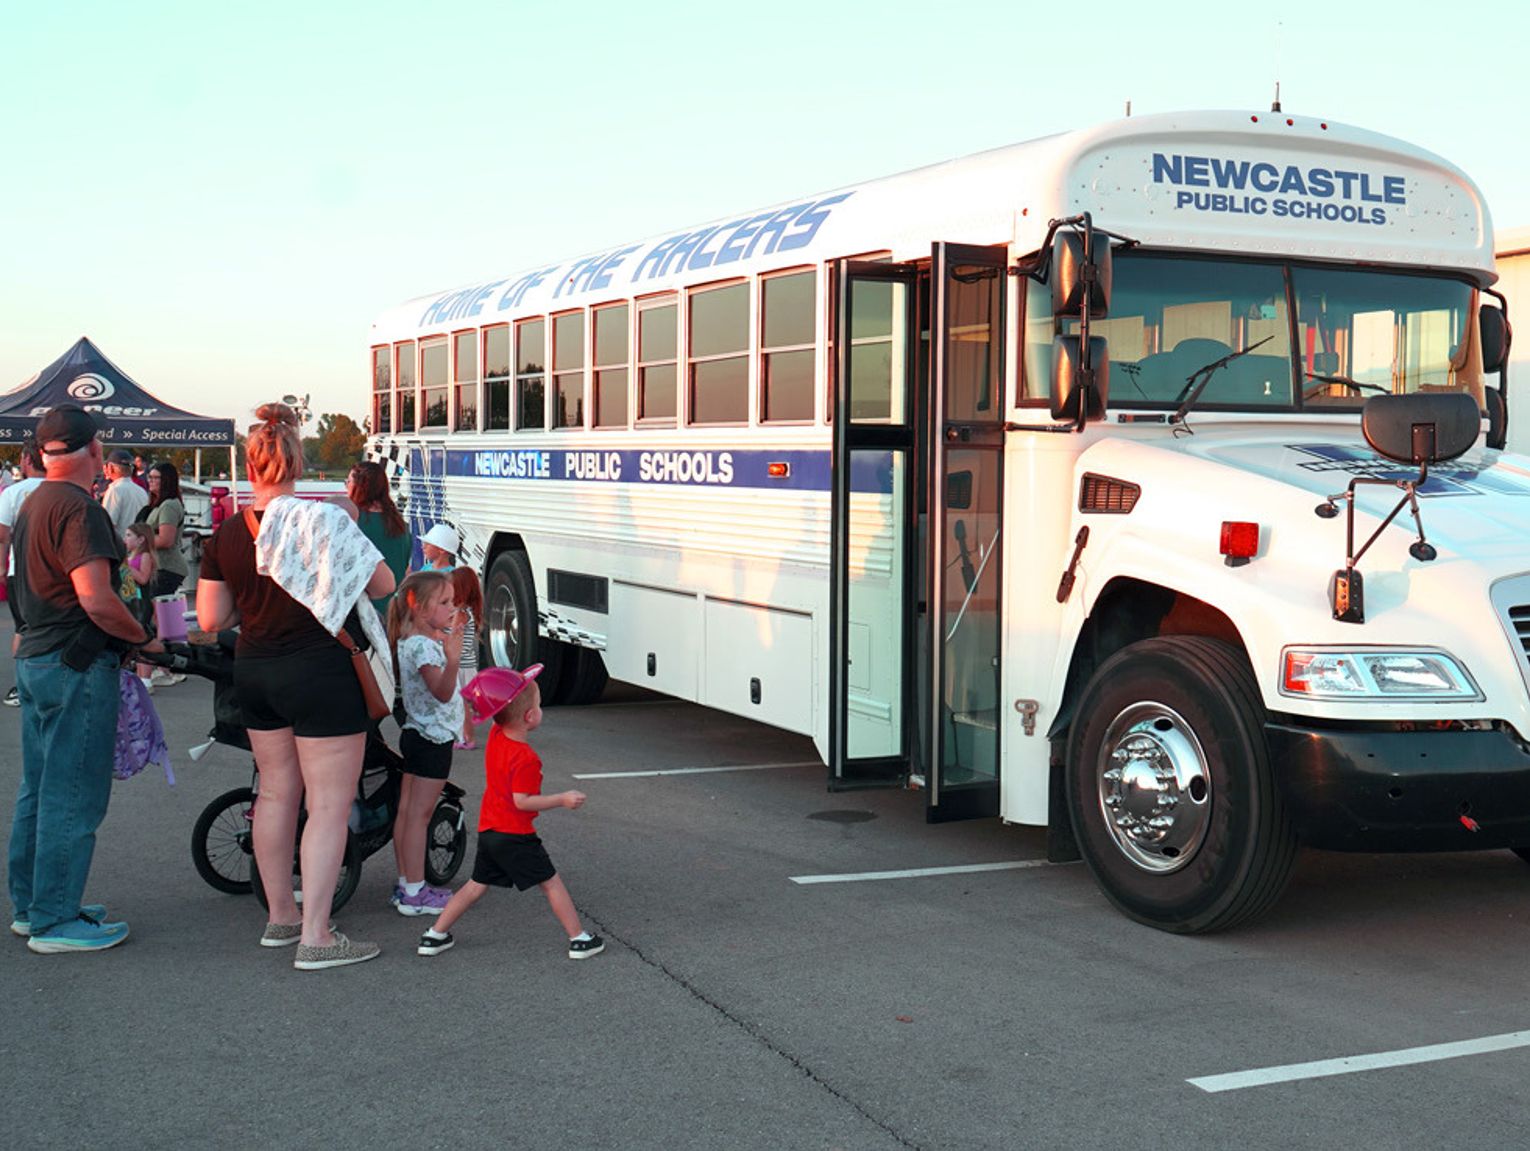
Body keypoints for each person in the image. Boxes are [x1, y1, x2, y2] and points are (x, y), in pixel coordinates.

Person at [197, 402, 395, 970]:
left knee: (276, 794)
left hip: (256, 671)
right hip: (321, 673)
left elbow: (211, 619)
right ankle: (318, 937)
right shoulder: (326, 520)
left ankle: (280, 917)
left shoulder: (229, 534)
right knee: (330, 806)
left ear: (252, 465)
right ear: (297, 460)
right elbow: (382, 582)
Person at [8, 404, 153, 952]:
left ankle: (35, 904)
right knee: (74, 793)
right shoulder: (79, 508)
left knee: (39, 789)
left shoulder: (33, 501)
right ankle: (54, 919)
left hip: (38, 657)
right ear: (93, 449)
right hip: (75, 662)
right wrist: (142, 639)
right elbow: (96, 597)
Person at [417, 665, 603, 959]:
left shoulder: (496, 736)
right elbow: (523, 801)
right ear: (530, 717)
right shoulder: (526, 758)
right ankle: (579, 939)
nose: (540, 710)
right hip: (515, 835)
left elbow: (498, 711)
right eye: (538, 706)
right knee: (551, 883)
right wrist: (562, 799)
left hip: (490, 831)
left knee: (475, 887)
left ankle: (434, 935)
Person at [386, 571, 464, 915]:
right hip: (432, 739)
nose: (452, 608)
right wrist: (454, 658)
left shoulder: (410, 640)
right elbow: (443, 692)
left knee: (407, 813)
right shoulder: (424, 647)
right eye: (444, 602)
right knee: (419, 816)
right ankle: (415, 893)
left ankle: (407, 883)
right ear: (418, 606)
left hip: (417, 733)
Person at [0, 438, 46, 707]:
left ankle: (23, 686)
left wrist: (3, 567)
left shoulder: (14, 493)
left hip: (22, 569)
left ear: (28, 460)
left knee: (23, 629)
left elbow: (2, 535)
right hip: (57, 573)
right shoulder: (62, 489)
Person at [347, 461, 411, 615]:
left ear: (359, 486)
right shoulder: (400, 524)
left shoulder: (352, 523)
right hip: (395, 611)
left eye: (348, 481)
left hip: (363, 614)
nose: (346, 486)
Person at [449, 566, 483, 749]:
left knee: (462, 705)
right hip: (466, 664)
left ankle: (467, 738)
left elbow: (451, 636)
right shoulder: (469, 611)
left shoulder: (461, 613)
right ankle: (463, 736)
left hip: (460, 665)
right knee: (464, 704)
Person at [121, 522, 158, 691]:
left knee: (143, 635)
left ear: (141, 539)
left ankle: (146, 678)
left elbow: (143, 578)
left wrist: (126, 566)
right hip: (131, 599)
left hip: (142, 600)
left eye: (129, 535)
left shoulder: (145, 556)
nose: (125, 539)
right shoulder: (130, 556)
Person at [144, 461, 188, 598]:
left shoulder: (169, 506)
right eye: (149, 477)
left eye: (155, 478)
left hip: (167, 568)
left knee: (156, 612)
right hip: (159, 567)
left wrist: (140, 541)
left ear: (166, 480)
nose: (150, 481)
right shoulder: (160, 504)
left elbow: (166, 540)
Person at [101, 449, 149, 540]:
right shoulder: (141, 491)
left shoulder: (115, 490)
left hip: (121, 548)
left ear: (111, 467)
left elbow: (108, 525)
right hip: (138, 547)